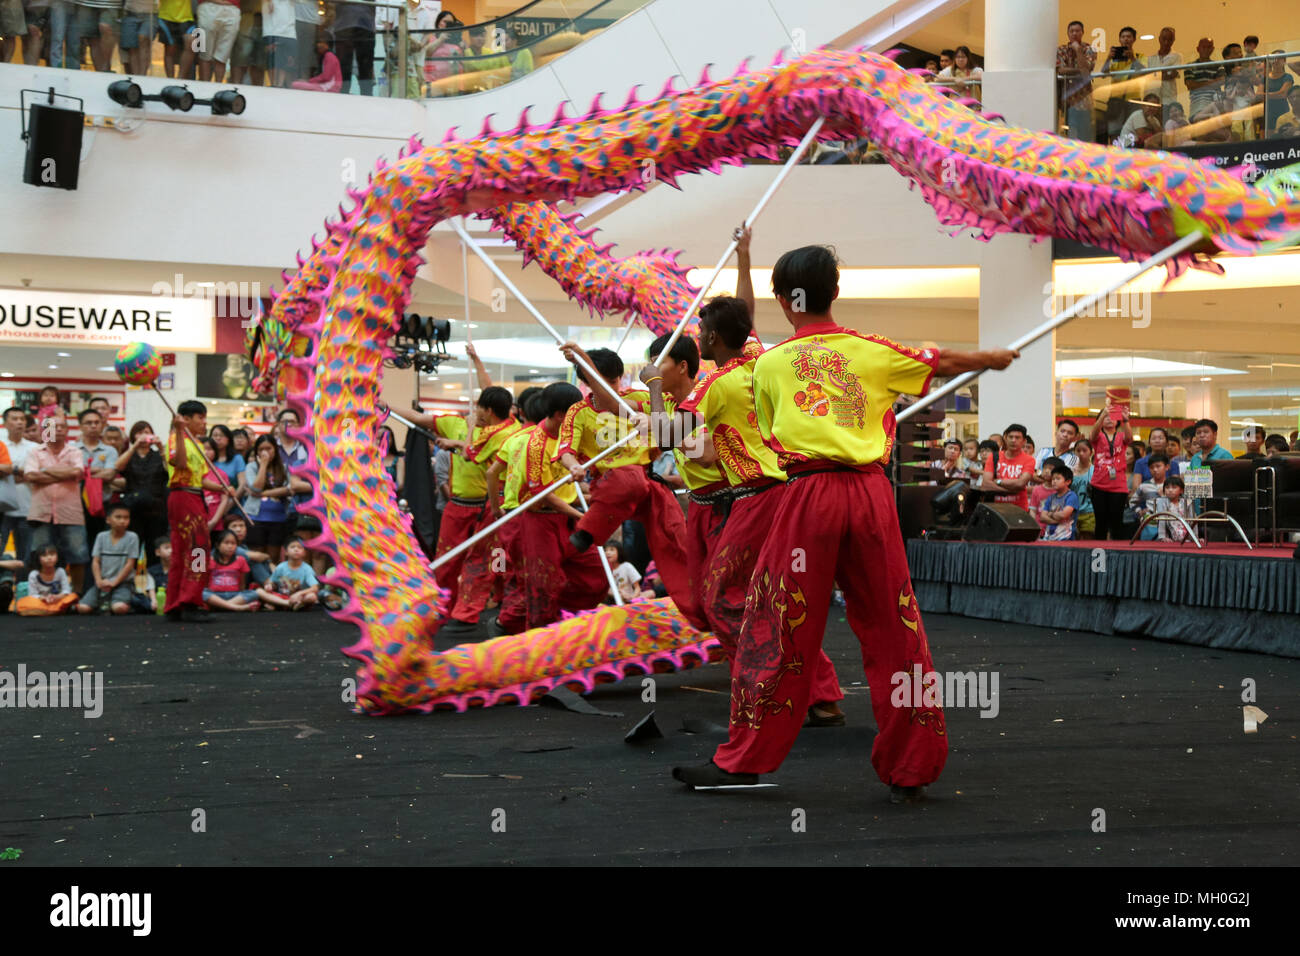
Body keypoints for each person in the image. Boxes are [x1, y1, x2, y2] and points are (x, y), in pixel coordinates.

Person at [672, 243, 1018, 798]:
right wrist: (992, 358)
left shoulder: (768, 365)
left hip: (807, 496)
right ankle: (914, 763)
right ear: (835, 291)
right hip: (872, 495)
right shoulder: (870, 349)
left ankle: (745, 759)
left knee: (775, 624)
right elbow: (940, 361)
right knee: (896, 628)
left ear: (785, 301)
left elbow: (752, 428)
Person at [554, 342, 703, 628]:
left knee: (678, 540)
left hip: (647, 485)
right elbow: (565, 450)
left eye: (616, 380)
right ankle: (587, 533)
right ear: (586, 382)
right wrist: (574, 467)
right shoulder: (577, 413)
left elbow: (662, 427)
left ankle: (699, 610)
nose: (614, 386)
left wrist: (656, 433)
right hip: (611, 484)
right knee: (628, 479)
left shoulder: (634, 397)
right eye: (605, 381)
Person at [502, 382, 611, 631]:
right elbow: (541, 494)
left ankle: (562, 622)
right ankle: (535, 642)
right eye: (575, 411)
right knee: (542, 586)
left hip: (570, 517)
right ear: (562, 414)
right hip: (540, 520)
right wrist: (583, 516)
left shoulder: (574, 434)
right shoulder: (535, 443)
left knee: (596, 576)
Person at [164, 400, 222, 623]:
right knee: (198, 548)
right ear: (186, 419)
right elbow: (178, 463)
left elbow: (200, 480)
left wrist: (224, 489)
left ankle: (176, 602)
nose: (204, 422)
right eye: (200, 417)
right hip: (183, 497)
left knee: (183, 549)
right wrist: (178, 432)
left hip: (193, 495)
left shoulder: (196, 443)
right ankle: (190, 600)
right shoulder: (176, 439)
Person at [25, 413, 90, 592]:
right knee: (38, 555)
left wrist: (45, 471)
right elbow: (31, 476)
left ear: (67, 431)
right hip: (41, 512)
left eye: (62, 426)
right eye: (54, 427)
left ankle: (75, 595)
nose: (58, 430)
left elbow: (76, 473)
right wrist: (63, 473)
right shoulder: (35, 451)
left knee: (78, 554)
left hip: (71, 511)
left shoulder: (75, 451)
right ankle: (37, 594)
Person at [112, 421, 168, 553]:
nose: (143, 436)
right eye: (139, 433)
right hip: (133, 508)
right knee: (132, 547)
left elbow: (169, 470)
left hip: (156, 508)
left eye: (147, 432)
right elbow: (118, 467)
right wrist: (133, 447)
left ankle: (153, 573)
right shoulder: (129, 455)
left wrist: (161, 448)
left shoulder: (158, 455)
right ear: (133, 436)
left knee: (154, 547)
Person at [76, 503, 138, 615]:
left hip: (123, 583)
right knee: (82, 608)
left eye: (126, 518)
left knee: (119, 609)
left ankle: (124, 600)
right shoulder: (101, 536)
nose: (122, 521)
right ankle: (105, 602)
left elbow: (130, 564)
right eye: (118, 517)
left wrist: (114, 583)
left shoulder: (132, 537)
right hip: (103, 582)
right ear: (108, 520)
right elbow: (95, 561)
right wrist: (99, 581)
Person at [242, 435, 292, 563]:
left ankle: (271, 582)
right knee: (257, 556)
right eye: (261, 449)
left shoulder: (284, 467)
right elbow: (256, 487)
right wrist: (263, 465)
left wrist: (263, 493)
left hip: (278, 518)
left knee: (273, 557)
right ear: (256, 451)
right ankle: (256, 583)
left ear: (275, 449)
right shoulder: (252, 467)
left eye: (268, 448)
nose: (265, 452)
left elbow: (288, 489)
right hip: (255, 517)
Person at [2, 405, 40, 564]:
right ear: (5, 423)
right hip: (2, 508)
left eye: (22, 419)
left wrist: (10, 472)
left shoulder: (35, 448)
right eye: (14, 419)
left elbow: (38, 474)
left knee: (26, 555)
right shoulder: (0, 444)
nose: (19, 422)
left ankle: (23, 586)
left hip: (28, 507)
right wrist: (21, 472)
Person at [1088, 404, 1132, 540]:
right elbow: (1091, 436)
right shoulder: (1099, 436)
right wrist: (1102, 415)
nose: (1108, 419)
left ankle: (1117, 554)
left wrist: (1125, 420)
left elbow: (1129, 438)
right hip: (1098, 484)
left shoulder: (1121, 436)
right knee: (1101, 522)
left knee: (1116, 522)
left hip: (1118, 485)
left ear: (1117, 421)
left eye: (1112, 416)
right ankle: (1099, 551)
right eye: (1105, 416)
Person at [77, 407, 117, 543]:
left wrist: (84, 472)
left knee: (100, 543)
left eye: (97, 422)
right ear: (81, 426)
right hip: (76, 505)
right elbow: (70, 474)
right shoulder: (72, 448)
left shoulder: (110, 450)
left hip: (102, 504)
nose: (93, 426)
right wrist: (97, 471)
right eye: (88, 423)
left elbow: (109, 474)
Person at [1056, 21, 1097, 139]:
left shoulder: (1090, 49)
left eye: (1077, 31)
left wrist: (1078, 50)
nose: (1074, 33)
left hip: (1085, 102)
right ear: (1068, 33)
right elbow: (1061, 71)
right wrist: (1081, 71)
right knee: (1070, 138)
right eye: (1071, 31)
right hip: (1067, 103)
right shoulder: (1061, 50)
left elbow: (1086, 71)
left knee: (1085, 138)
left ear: (1083, 32)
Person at [981, 423, 1035, 509]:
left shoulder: (1029, 460)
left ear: (1024, 441)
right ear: (1005, 439)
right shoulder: (993, 457)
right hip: (995, 508)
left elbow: (1020, 483)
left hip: (1019, 509)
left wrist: (997, 481)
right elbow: (986, 484)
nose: (1013, 440)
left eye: (1017, 438)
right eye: (1010, 437)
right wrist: (1008, 491)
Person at [203, 529, 260, 611]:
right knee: (203, 593)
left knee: (254, 594)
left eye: (233, 543)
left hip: (234, 595)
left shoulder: (241, 560)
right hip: (215, 595)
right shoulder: (209, 560)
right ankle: (236, 607)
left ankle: (221, 606)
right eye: (226, 543)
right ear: (218, 545)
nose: (230, 546)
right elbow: (205, 582)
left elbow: (242, 584)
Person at [256, 536, 319, 609]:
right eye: (292, 547)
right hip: (282, 597)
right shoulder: (281, 567)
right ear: (286, 552)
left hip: (299, 598)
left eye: (300, 547)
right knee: (259, 591)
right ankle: (288, 604)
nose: (296, 549)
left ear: (304, 552)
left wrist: (299, 593)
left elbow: (315, 588)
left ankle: (281, 606)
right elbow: (272, 582)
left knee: (312, 597)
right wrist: (269, 586)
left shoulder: (307, 569)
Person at [16, 544, 79, 616]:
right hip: (41, 602)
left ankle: (46, 611)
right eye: (44, 555)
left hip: (57, 601)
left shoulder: (60, 571)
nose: (49, 558)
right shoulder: (33, 574)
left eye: (52, 554)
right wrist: (44, 598)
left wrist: (57, 597)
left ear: (57, 557)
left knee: (73, 596)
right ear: (38, 559)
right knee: (23, 602)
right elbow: (33, 595)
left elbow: (66, 590)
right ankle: (56, 611)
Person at [333, 0, 375, 94]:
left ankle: (366, 99)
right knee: (345, 67)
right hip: (347, 25)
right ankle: (344, 98)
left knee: (364, 67)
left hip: (360, 25)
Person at [195, 0, 240, 81]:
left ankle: (218, 87)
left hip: (232, 7)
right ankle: (204, 87)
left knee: (222, 56)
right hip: (208, 5)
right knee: (205, 54)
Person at [225, 513, 273, 586]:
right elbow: (258, 556)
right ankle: (269, 584)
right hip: (228, 581)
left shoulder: (243, 546)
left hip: (243, 579)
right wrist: (268, 557)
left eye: (241, 526)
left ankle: (271, 583)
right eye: (234, 526)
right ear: (226, 530)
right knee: (253, 560)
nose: (238, 529)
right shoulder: (228, 546)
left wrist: (269, 562)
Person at [1130, 452, 1170, 540]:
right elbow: (1132, 501)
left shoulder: (1172, 486)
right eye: (1152, 467)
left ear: (1167, 467)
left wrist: (1165, 496)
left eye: (1158, 466)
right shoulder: (1144, 486)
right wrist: (1139, 512)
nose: (1155, 470)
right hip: (1149, 525)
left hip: (1169, 524)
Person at [1146, 27, 1182, 118]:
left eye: (1169, 39)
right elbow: (1147, 77)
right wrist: (1165, 73)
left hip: (1168, 100)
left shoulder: (1177, 56)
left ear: (1173, 40)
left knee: (1167, 127)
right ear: (1159, 39)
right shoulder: (1150, 58)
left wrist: (1154, 74)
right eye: (1164, 39)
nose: (1166, 42)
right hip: (1152, 100)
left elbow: (1173, 75)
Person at [1184, 38, 1225, 119]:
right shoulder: (1190, 66)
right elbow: (1190, 85)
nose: (1206, 50)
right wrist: (1212, 82)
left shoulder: (1218, 65)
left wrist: (1199, 85)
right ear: (1198, 49)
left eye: (1209, 47)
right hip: (1197, 104)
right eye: (1204, 47)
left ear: (1212, 49)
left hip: (1215, 103)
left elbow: (1222, 81)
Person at [1039, 463, 1079, 541]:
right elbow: (1042, 517)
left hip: (1066, 538)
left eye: (1058, 479)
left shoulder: (1071, 496)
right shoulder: (1051, 497)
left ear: (1068, 481)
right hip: (1049, 537)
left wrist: (1050, 514)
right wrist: (1056, 519)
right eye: (1053, 479)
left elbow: (1064, 514)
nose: (1054, 481)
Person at [157, 0, 196, 78]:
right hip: (166, 17)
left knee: (191, 44)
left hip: (186, 18)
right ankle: (171, 79)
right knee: (169, 50)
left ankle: (180, 79)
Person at [1263, 51, 1295, 135]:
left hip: (1282, 111)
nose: (1276, 60)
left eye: (1279, 58)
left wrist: (1265, 95)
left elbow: (1283, 94)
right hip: (1268, 113)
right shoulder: (1265, 77)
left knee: (1285, 138)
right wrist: (1273, 95)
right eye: (1274, 58)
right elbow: (1258, 95)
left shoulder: (1288, 77)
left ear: (1284, 61)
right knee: (1269, 141)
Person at [209, 424, 247, 492]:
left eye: (222, 435)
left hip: (233, 498)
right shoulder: (207, 459)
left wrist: (231, 501)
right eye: (215, 435)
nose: (218, 438)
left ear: (228, 439)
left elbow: (242, 484)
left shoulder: (237, 459)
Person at [1027, 456, 1060, 530]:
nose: (1046, 471)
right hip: (1039, 528)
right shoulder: (1037, 489)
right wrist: (1034, 527)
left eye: (1051, 469)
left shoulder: (1060, 490)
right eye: (1045, 468)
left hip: (1055, 529)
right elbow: (1033, 510)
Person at [1158, 475, 1192, 543]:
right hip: (1170, 539)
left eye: (1174, 487)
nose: (1170, 490)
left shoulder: (1187, 502)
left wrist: (1195, 538)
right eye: (1167, 487)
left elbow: (1193, 520)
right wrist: (1163, 537)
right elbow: (1162, 520)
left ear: (1181, 490)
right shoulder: (1162, 502)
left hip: (1187, 538)